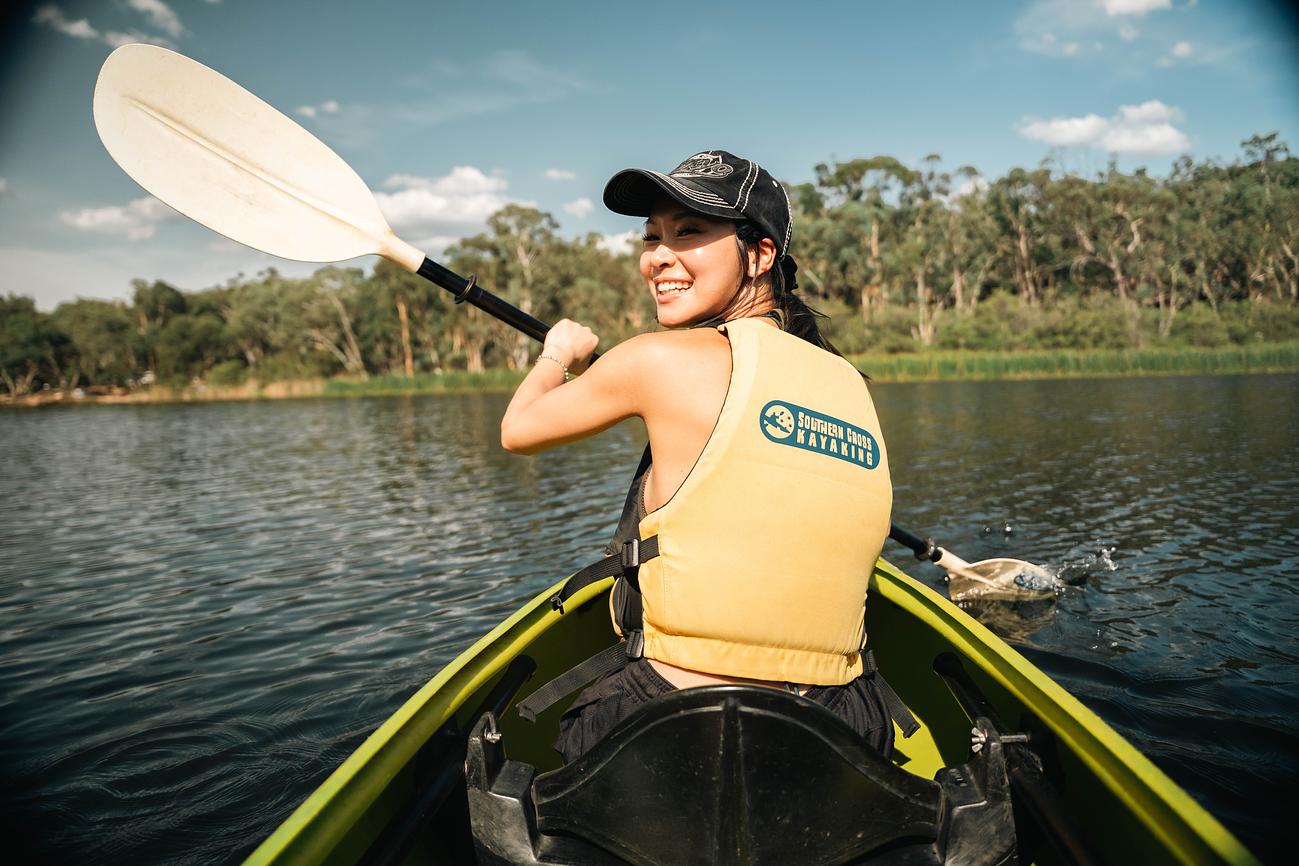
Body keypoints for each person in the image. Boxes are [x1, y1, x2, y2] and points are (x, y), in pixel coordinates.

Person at [500, 150, 897, 764]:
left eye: (689, 232)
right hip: (848, 721)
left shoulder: (656, 359)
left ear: (761, 255)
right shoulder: (850, 382)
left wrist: (557, 353)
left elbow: (518, 430)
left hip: (677, 718)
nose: (658, 257)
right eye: (652, 236)